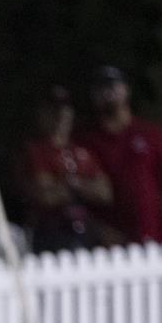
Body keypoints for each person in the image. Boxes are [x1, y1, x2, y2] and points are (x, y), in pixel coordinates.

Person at [77, 65, 162, 245]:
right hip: (110, 242)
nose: (108, 93)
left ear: (126, 90)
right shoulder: (84, 142)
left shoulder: (151, 134)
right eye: (101, 88)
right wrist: (99, 231)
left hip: (154, 236)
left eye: (113, 86)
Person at [16, 86, 112, 253]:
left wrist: (69, 184)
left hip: (86, 231)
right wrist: (83, 186)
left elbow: (105, 193)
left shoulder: (80, 151)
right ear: (43, 113)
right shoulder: (35, 151)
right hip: (51, 232)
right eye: (55, 110)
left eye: (66, 110)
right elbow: (46, 195)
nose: (61, 115)